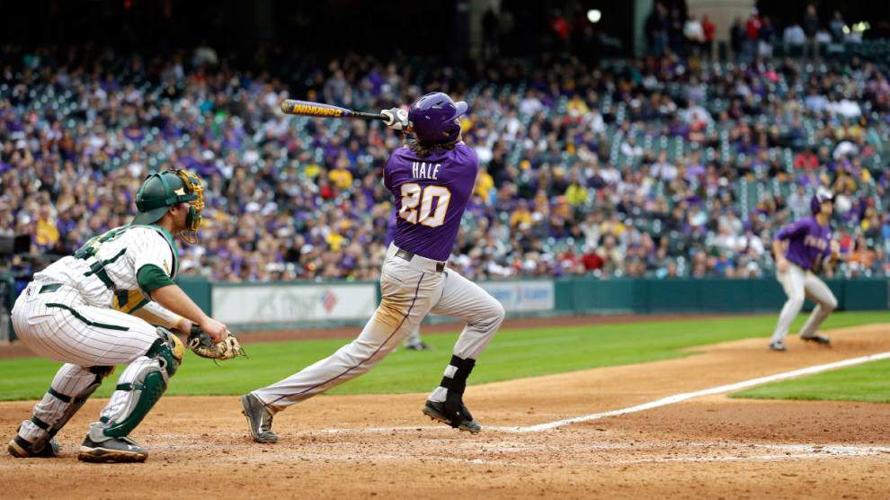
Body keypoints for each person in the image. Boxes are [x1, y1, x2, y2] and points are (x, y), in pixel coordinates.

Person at [240, 92, 505, 442]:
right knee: (362, 355)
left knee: (489, 312)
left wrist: (406, 128)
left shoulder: (397, 161)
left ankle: (447, 395)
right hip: (416, 278)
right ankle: (267, 399)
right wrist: (410, 126)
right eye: (454, 121)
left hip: (413, 266)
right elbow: (450, 144)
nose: (459, 123)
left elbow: (420, 154)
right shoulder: (464, 165)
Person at [7, 170, 230, 462]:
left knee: (100, 357)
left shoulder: (128, 234)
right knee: (163, 346)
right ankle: (107, 434)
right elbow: (152, 279)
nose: (195, 209)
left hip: (33, 306)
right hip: (60, 309)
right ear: (173, 209)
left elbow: (130, 298)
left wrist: (181, 322)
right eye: (190, 202)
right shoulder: (154, 237)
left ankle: (33, 435)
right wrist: (204, 320)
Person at [768, 190, 839, 351]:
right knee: (797, 298)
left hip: (805, 272)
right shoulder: (806, 223)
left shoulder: (827, 232)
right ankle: (776, 339)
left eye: (830, 202)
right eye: (825, 202)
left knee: (830, 303)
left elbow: (827, 264)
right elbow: (778, 237)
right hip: (791, 267)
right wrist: (779, 258)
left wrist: (834, 256)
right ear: (817, 205)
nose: (829, 205)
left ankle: (808, 332)